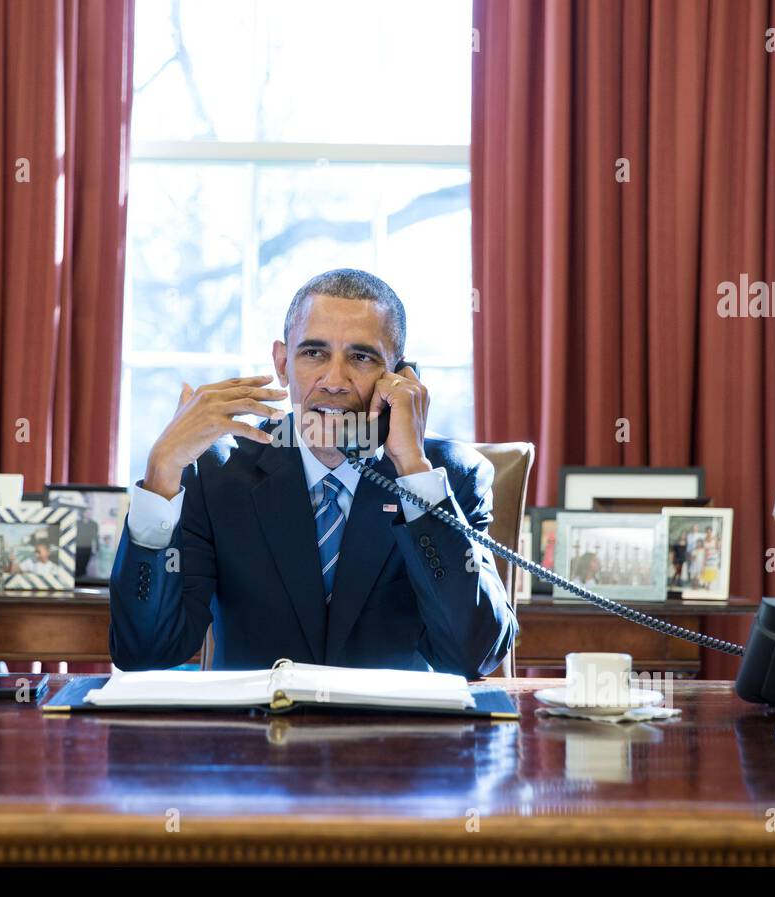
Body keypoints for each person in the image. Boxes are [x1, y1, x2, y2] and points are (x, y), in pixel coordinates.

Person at [109, 268, 517, 677]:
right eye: (314, 353)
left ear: (400, 376)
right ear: (283, 363)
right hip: (253, 718)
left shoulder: (450, 476)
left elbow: (473, 654)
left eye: (361, 357)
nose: (334, 381)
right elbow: (145, 651)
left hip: (393, 719)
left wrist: (413, 472)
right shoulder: (215, 472)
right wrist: (160, 474)